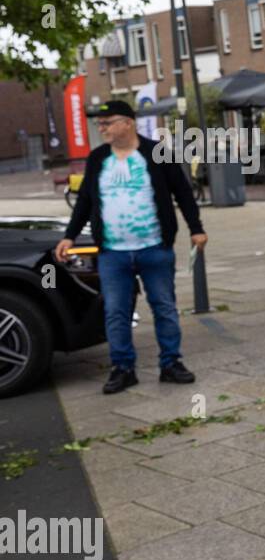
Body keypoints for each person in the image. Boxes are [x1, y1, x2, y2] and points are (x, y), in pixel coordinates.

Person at [55, 100, 206, 393]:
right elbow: (85, 200)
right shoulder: (98, 158)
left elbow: (184, 193)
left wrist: (196, 229)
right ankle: (123, 368)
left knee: (164, 307)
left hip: (154, 248)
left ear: (127, 123)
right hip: (113, 252)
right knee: (115, 311)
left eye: (107, 122)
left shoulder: (157, 153)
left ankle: (171, 363)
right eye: (100, 124)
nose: (102, 128)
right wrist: (69, 236)